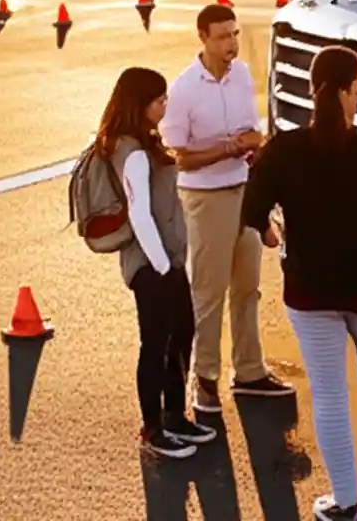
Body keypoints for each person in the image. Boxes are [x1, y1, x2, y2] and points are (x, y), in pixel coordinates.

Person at [241, 45, 357, 521]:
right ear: (351, 88)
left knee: (330, 392)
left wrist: (279, 238)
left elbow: (254, 211)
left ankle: (344, 501)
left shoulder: (284, 149)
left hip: (309, 291)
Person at [159, 4, 294, 414]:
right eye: (222, 36)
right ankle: (204, 379)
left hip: (244, 192)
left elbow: (253, 132)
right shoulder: (184, 89)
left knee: (248, 288)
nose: (232, 43)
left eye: (235, 34)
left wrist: (252, 156)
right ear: (203, 37)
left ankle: (250, 372)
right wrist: (230, 147)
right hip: (206, 201)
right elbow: (177, 155)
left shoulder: (241, 76)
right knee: (208, 293)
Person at [96, 67, 216, 459]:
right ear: (139, 104)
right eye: (158, 99)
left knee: (181, 333)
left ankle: (174, 416)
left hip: (167, 260)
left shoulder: (144, 141)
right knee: (156, 343)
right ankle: (154, 429)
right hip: (152, 265)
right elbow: (140, 214)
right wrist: (163, 267)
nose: (165, 104)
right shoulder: (130, 152)